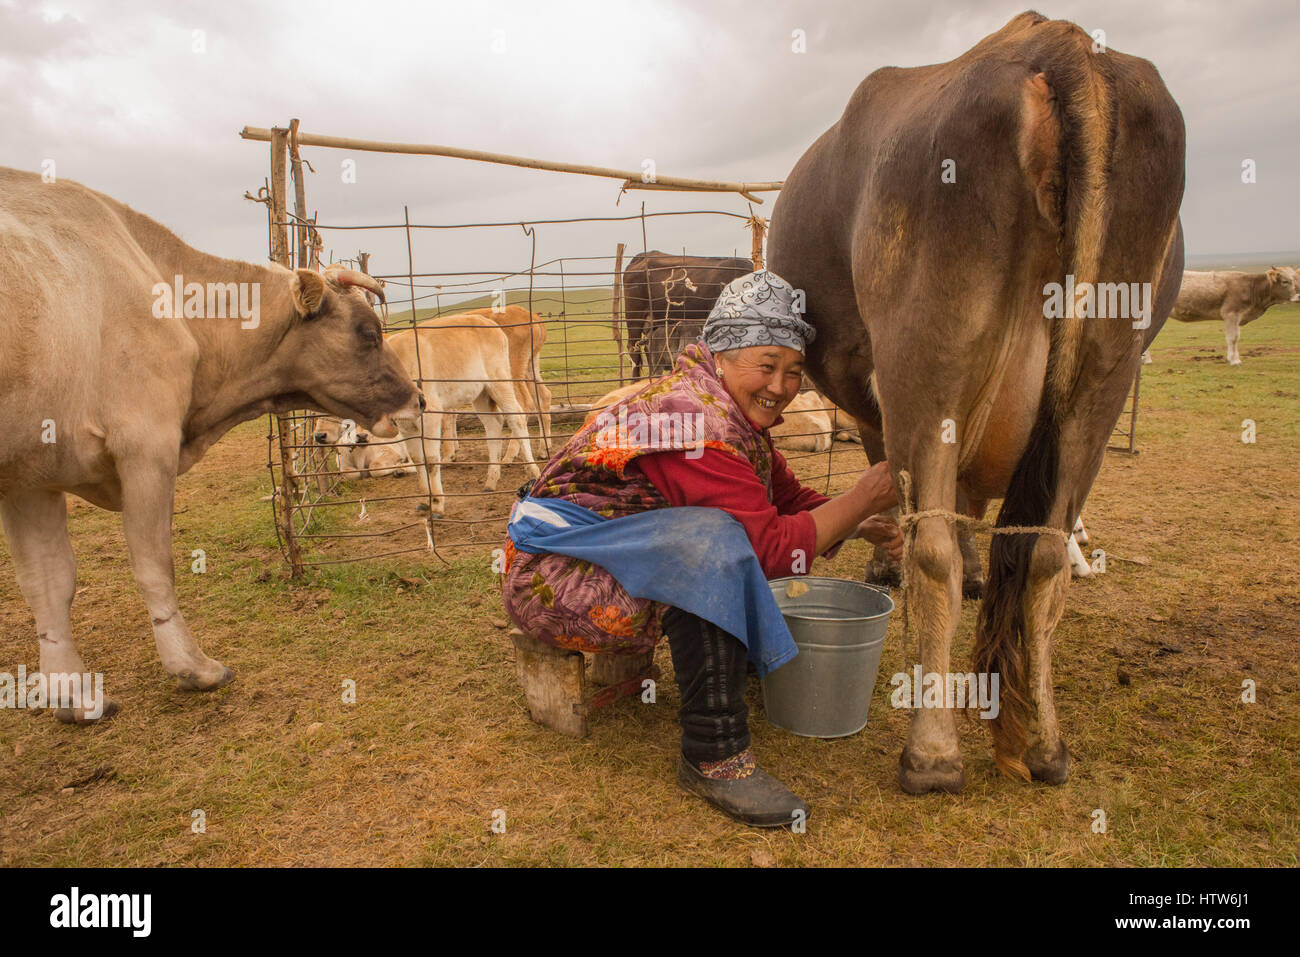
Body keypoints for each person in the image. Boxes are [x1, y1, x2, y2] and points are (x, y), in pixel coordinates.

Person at [500, 270, 901, 827]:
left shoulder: (726, 412)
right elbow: (769, 550)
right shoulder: (689, 424)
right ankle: (714, 754)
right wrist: (861, 498)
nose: (782, 387)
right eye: (767, 365)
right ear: (722, 354)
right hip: (554, 576)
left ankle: (733, 674)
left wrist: (861, 522)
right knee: (710, 545)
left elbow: (782, 499)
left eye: (793, 372)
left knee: (719, 535)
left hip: (607, 555)